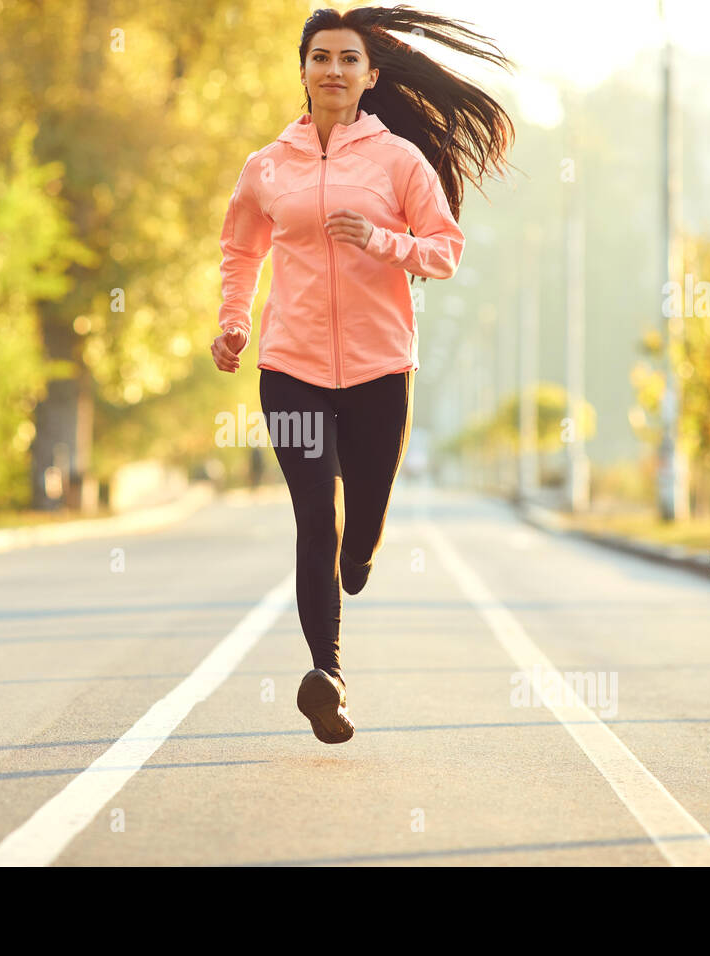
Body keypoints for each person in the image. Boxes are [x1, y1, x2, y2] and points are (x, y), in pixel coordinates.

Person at [210, 5, 515, 744]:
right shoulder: (267, 166)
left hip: (381, 368)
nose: (334, 71)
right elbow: (241, 250)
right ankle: (328, 677)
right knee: (315, 515)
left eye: (349, 60)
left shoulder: (398, 161)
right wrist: (236, 321)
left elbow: (444, 250)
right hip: (291, 366)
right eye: (321, 58)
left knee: (361, 524)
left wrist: (381, 239)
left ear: (370, 76)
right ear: (304, 71)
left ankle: (363, 550)